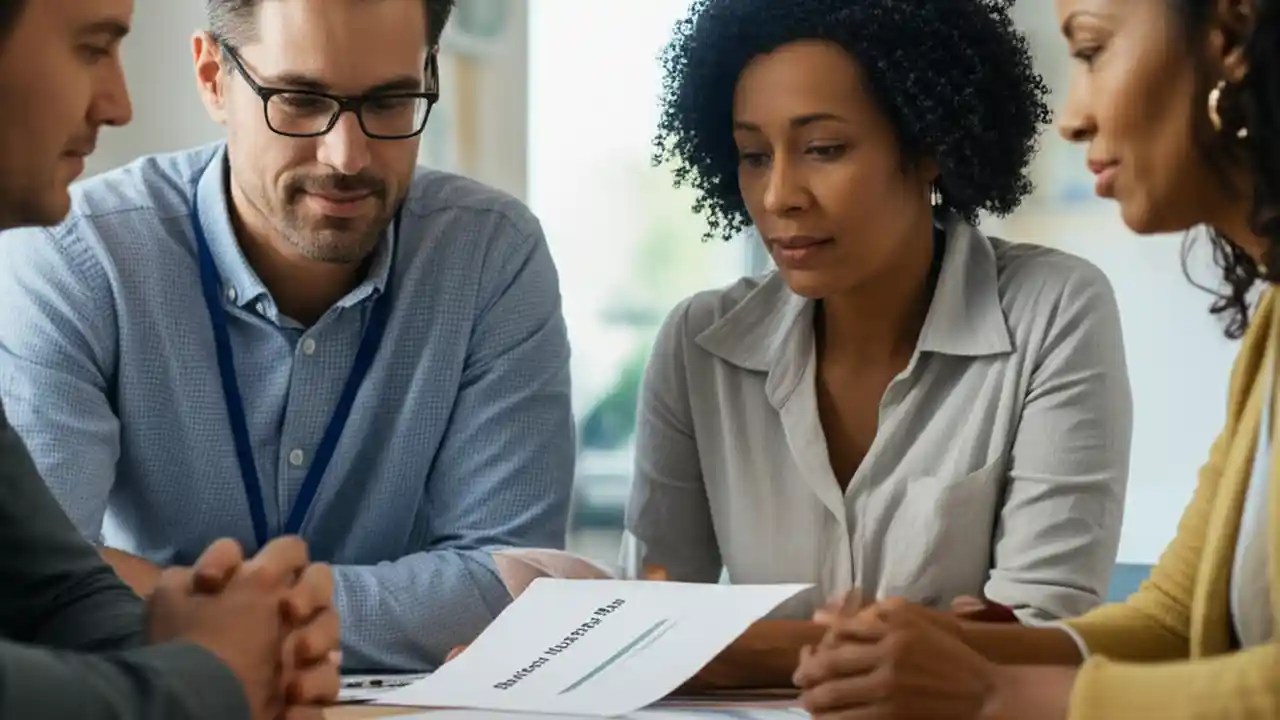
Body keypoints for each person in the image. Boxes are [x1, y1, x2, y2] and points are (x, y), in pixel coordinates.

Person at [0, 0, 576, 672]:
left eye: (391, 103)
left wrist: (182, 608)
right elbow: (38, 590)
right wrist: (394, 609)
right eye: (300, 100)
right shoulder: (78, 257)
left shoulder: (490, 256)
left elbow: (517, 590)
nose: (347, 157)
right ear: (214, 78)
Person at [626, 0, 1134, 688]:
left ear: (927, 145)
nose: (779, 195)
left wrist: (745, 650)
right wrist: (892, 640)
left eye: (824, 149)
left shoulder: (1054, 310)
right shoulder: (699, 346)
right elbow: (644, 626)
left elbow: (1034, 636)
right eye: (752, 155)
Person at [794, 0, 1280, 718]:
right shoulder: (1272, 319)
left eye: (1091, 52)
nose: (1072, 117)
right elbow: (1176, 620)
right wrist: (947, 645)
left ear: (1231, 36)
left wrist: (997, 693)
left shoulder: (1057, 304)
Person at [0, 1, 341, 718]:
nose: (119, 105)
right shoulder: (76, 257)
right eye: (93, 48)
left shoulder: (490, 246)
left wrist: (240, 646)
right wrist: (213, 677)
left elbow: (50, 590)